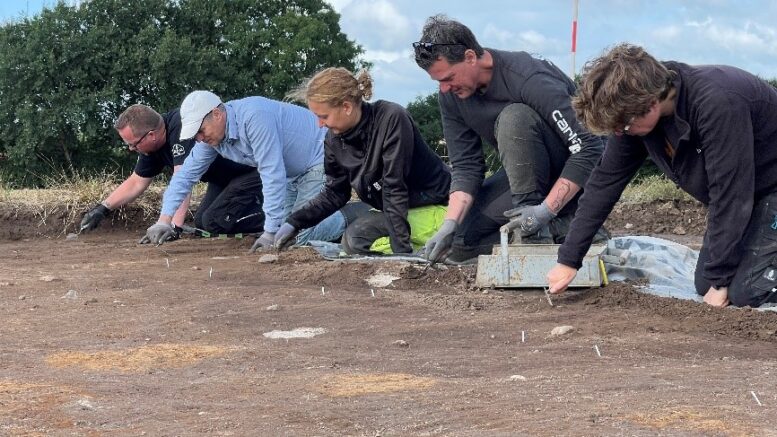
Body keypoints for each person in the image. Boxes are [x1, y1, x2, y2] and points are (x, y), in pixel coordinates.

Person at [547, 43, 777, 308]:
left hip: (768, 188)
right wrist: (568, 259)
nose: (620, 133)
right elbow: (603, 183)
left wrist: (720, 281)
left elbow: (730, 195)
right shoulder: (634, 118)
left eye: (622, 126)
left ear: (651, 103)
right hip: (750, 195)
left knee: (747, 293)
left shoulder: (717, 102)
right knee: (705, 282)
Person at [413, 15, 606, 264]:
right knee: (462, 243)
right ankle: (561, 229)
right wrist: (449, 224)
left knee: (514, 118)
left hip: (576, 176)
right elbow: (466, 166)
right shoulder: (452, 97)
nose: (444, 88)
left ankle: (543, 231)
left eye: (448, 78)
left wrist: (545, 210)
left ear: (470, 57)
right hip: (528, 176)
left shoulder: (528, 78)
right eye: (438, 82)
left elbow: (589, 147)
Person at [274, 68, 451, 255]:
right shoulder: (333, 140)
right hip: (397, 209)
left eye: (323, 116)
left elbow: (394, 188)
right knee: (354, 240)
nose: (320, 124)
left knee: (355, 239)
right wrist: (294, 222)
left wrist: (402, 256)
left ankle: (435, 247)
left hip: (434, 204)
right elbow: (335, 193)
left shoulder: (391, 118)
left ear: (346, 107)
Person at [139, 91, 346, 250]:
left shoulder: (254, 118)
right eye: (196, 135)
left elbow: (271, 173)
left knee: (296, 236)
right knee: (287, 233)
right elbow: (184, 176)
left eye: (201, 131)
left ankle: (348, 215)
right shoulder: (212, 140)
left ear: (217, 114)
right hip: (293, 173)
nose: (200, 139)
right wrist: (164, 221)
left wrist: (270, 233)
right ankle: (325, 216)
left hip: (320, 158)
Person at [79, 104, 264, 236]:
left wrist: (172, 225)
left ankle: (279, 220)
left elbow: (183, 178)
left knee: (213, 221)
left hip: (251, 172)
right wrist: (103, 208)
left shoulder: (181, 126)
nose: (131, 149)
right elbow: (136, 182)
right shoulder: (151, 148)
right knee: (203, 222)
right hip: (224, 180)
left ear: (150, 135)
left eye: (133, 145)